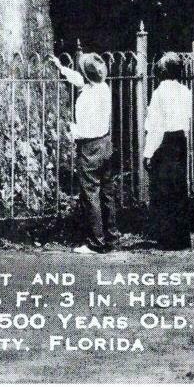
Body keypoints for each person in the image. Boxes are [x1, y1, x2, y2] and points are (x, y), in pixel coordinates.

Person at [48, 52, 119, 254]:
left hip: (90, 146)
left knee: (91, 194)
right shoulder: (102, 87)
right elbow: (81, 80)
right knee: (107, 192)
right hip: (106, 144)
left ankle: (96, 242)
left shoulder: (87, 98)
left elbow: (86, 128)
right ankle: (111, 237)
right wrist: (61, 68)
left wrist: (72, 129)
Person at [144, 52, 193, 249]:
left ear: (161, 71)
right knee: (178, 188)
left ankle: (167, 237)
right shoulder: (186, 91)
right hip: (179, 140)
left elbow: (155, 126)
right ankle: (180, 238)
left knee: (163, 190)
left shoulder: (159, 93)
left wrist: (148, 153)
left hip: (164, 142)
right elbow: (187, 120)